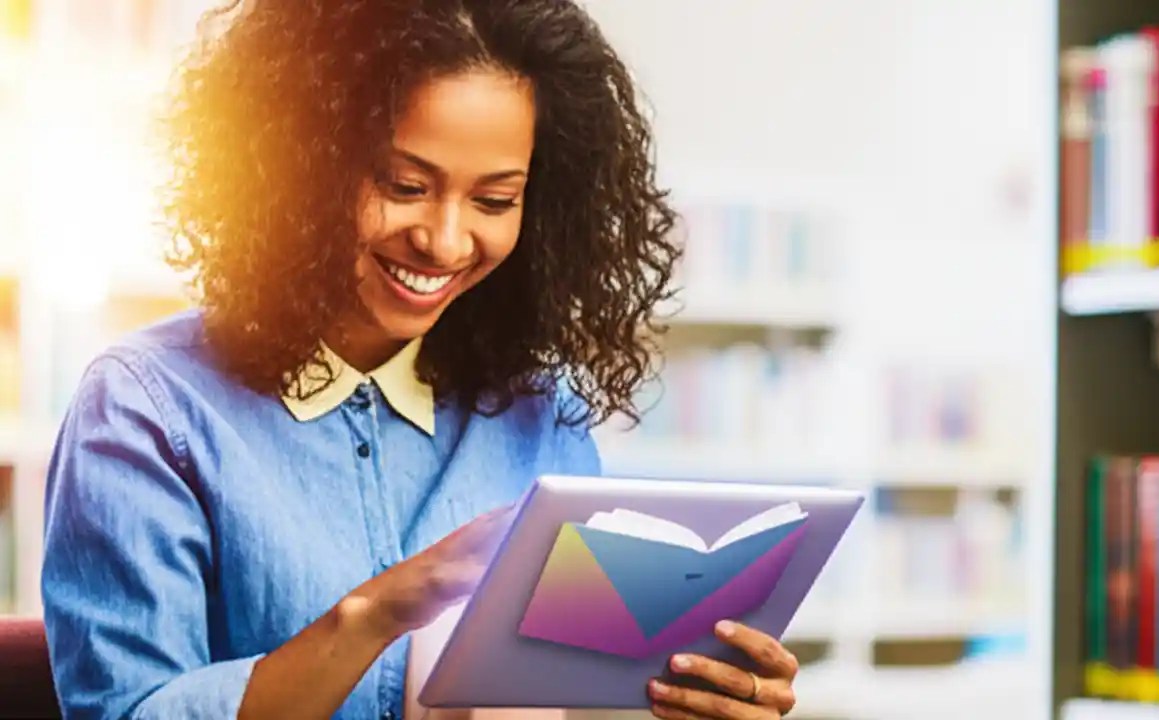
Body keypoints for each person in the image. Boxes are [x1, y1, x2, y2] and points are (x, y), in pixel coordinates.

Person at [40, 1, 803, 719]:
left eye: (496, 201)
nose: (443, 241)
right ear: (300, 166)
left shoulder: (541, 415)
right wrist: (378, 613)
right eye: (404, 185)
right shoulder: (148, 406)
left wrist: (699, 695)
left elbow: (570, 696)